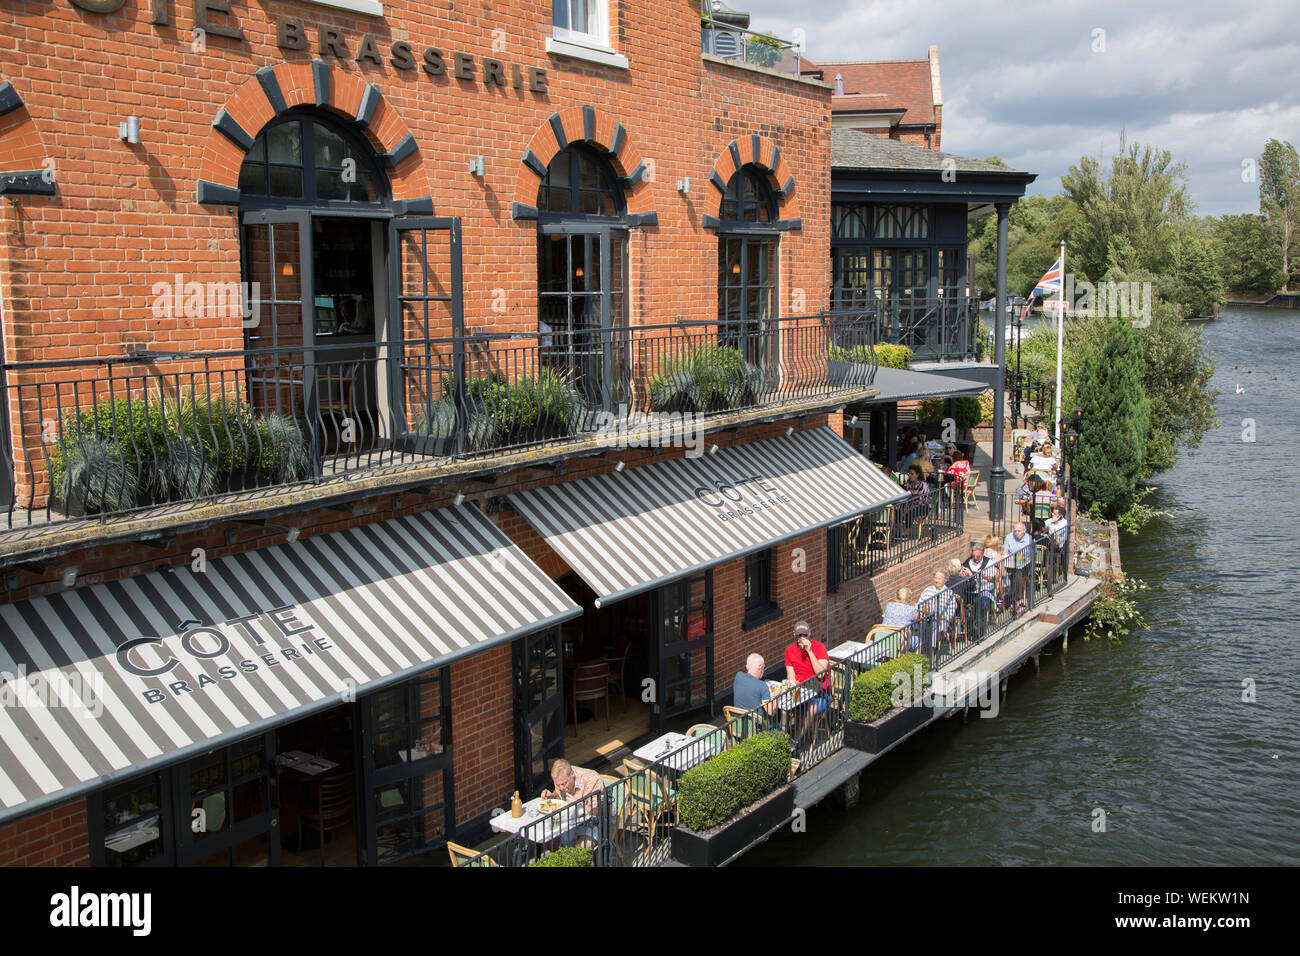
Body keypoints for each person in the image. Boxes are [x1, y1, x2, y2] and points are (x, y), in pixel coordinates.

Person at [540, 758, 602, 847]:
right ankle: (562, 858)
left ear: (572, 774)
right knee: (547, 839)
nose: (561, 788)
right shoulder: (561, 778)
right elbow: (558, 793)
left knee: (581, 848)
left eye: (564, 784)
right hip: (571, 820)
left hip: (593, 822)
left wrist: (579, 804)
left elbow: (596, 812)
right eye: (558, 785)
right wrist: (552, 796)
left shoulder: (592, 779)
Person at [918, 569, 957, 652]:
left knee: (934, 627)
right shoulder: (928, 590)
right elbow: (919, 604)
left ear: (945, 580)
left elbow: (951, 609)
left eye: (939, 579)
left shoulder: (949, 593)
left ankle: (930, 651)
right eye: (935, 578)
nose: (936, 581)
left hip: (940, 620)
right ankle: (921, 649)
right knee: (918, 627)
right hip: (925, 618)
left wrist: (943, 616)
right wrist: (921, 614)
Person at [733, 652, 778, 721]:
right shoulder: (762, 685)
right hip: (756, 728)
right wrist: (776, 696)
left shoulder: (738, 676)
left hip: (738, 725)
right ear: (760, 667)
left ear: (747, 667)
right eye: (764, 668)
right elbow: (771, 712)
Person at [1004, 521, 1034, 608]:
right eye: (1015, 531)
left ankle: (1017, 598)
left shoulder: (1029, 539)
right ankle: (1006, 596)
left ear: (1024, 530)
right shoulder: (1009, 537)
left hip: (1024, 564)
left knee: (1018, 574)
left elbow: (1031, 554)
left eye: (1019, 531)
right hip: (1010, 563)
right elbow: (1005, 551)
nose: (1017, 533)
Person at [1045, 504, 1070, 577]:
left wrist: (1052, 523)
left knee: (1052, 550)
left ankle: (1051, 576)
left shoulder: (1064, 523)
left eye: (1055, 514)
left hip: (1058, 546)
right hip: (1048, 543)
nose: (1052, 514)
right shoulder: (1051, 520)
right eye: (1052, 513)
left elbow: (1055, 533)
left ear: (1060, 516)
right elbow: (1043, 526)